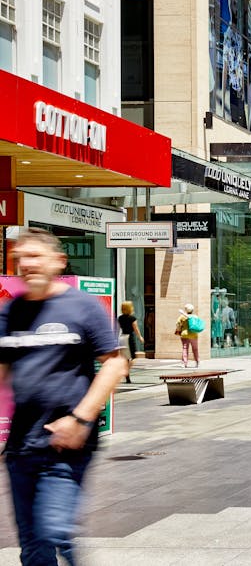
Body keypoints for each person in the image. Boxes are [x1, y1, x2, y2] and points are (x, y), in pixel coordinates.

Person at [0, 229, 129, 565]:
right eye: (19, 258)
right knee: (33, 547)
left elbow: (115, 365)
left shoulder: (82, 307)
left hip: (66, 445)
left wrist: (81, 419)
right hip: (21, 447)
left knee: (53, 529)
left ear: (57, 262)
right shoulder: (9, 313)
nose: (25, 264)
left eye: (34, 256)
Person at [117, 300, 144, 384]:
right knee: (133, 357)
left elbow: (118, 328)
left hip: (122, 337)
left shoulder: (120, 318)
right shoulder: (132, 318)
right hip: (129, 338)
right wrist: (140, 337)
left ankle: (127, 376)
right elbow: (136, 329)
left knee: (125, 357)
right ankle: (125, 371)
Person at [175, 303, 202, 368]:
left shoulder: (182, 317)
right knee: (195, 349)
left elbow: (177, 324)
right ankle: (197, 362)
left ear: (186, 310)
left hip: (185, 334)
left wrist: (179, 329)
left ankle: (184, 363)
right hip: (194, 334)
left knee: (185, 348)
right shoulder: (195, 316)